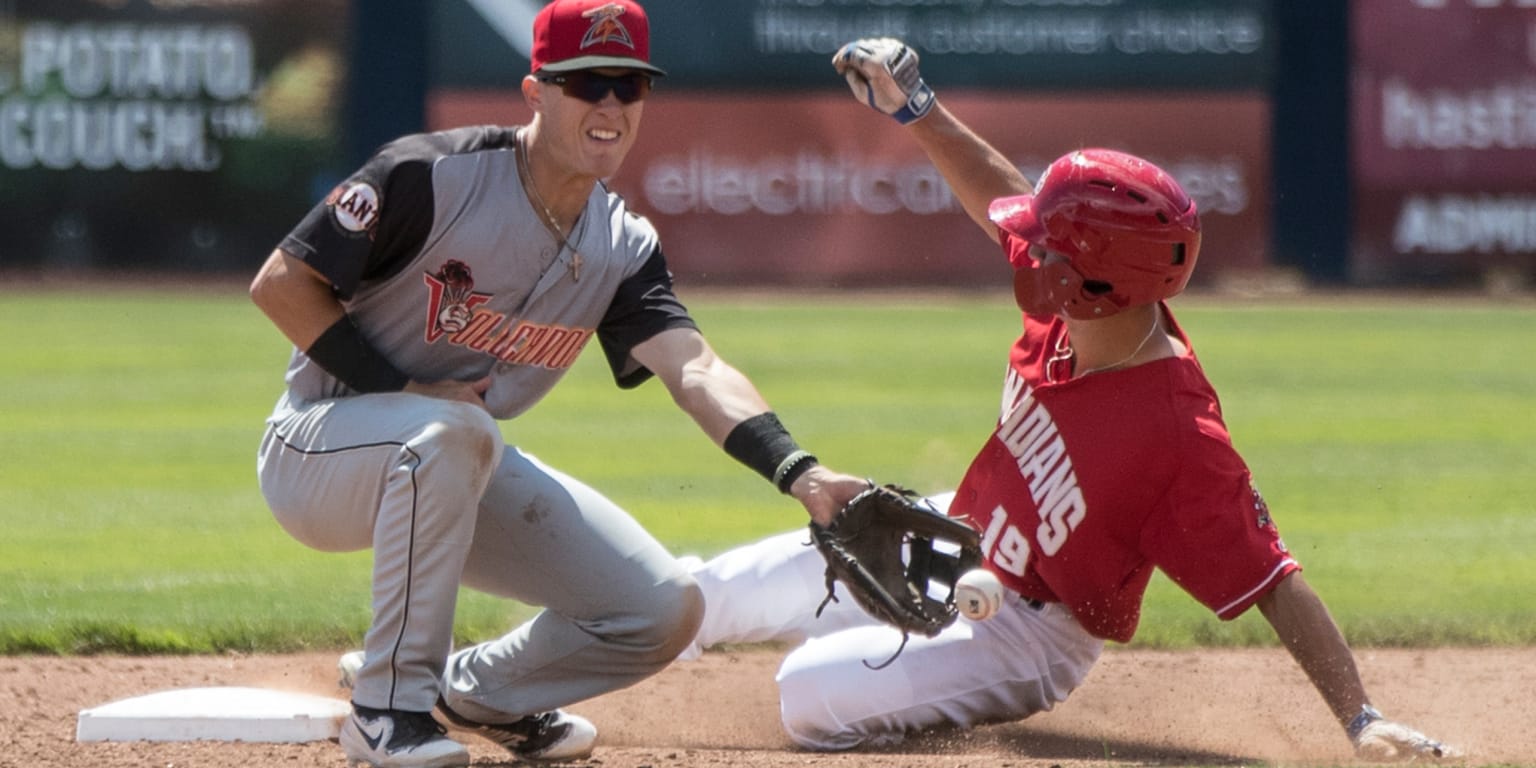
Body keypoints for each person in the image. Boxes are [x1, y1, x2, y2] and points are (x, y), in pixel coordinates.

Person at [674, 38, 1458, 763]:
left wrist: (1362, 718)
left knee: (806, 692)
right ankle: (558, 672)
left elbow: (1276, 581)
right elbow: (1001, 199)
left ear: (1097, 278)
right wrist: (917, 107)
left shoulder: (1178, 438)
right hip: (961, 532)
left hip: (1031, 636)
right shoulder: (1075, 297)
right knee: (708, 593)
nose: (1025, 244)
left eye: (1048, 243)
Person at [248, 2, 869, 766]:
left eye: (629, 86)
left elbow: (695, 367)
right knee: (455, 429)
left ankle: (478, 693)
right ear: (535, 91)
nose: (609, 104)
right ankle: (387, 711)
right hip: (317, 447)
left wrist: (799, 471)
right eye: (586, 83)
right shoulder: (433, 176)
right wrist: (405, 386)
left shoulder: (621, 245)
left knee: (661, 609)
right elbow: (281, 284)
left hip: (453, 465)